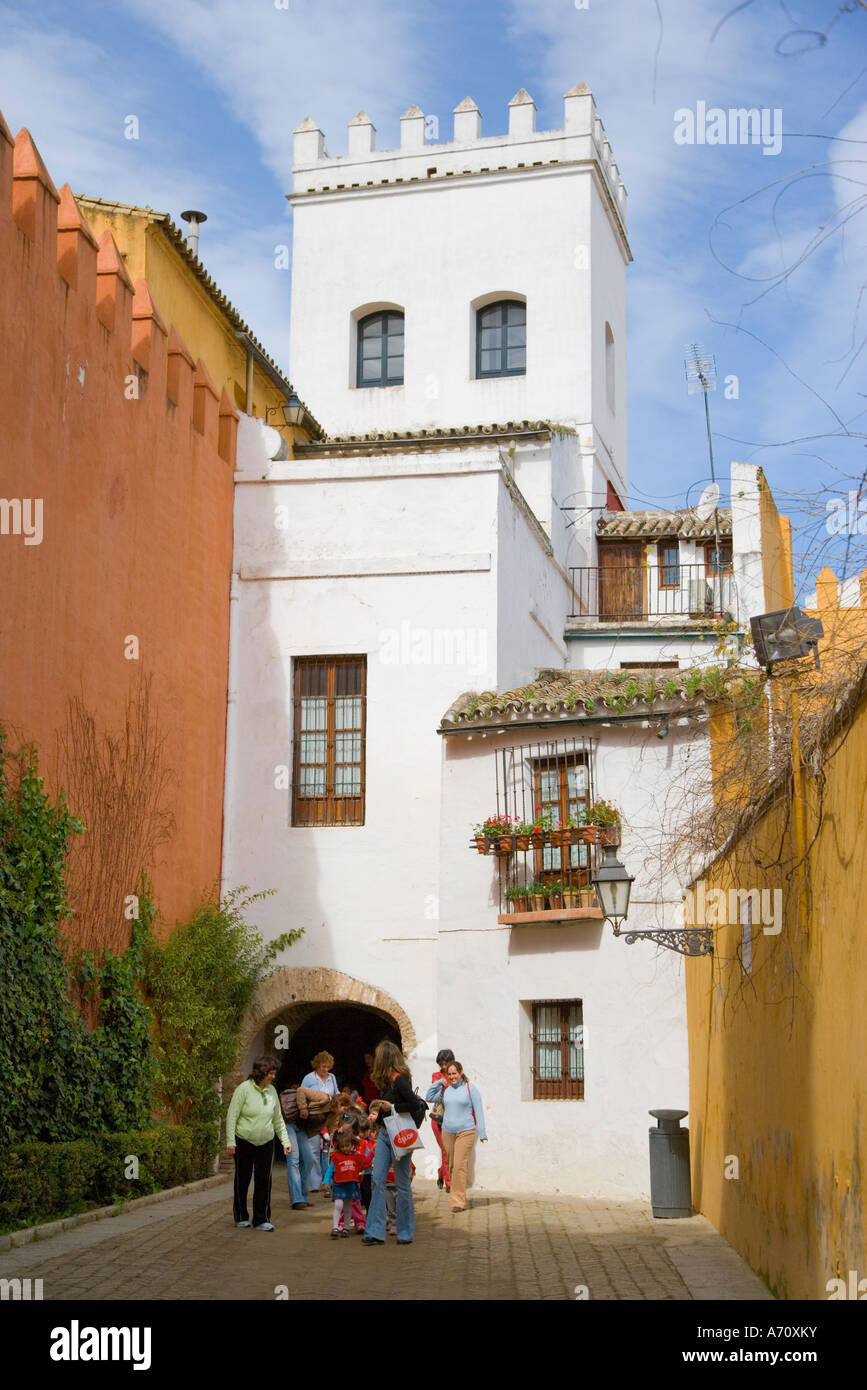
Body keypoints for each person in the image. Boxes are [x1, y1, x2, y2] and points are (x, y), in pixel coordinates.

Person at [226, 1054, 291, 1231]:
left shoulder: (271, 1092)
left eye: (274, 1073)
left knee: (264, 1181)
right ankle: (241, 1216)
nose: (273, 1076)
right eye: (270, 1073)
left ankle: (261, 1219)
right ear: (261, 1072)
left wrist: (285, 1141)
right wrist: (231, 1141)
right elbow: (232, 1116)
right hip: (244, 1141)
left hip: (266, 1142)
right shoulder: (243, 1089)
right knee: (242, 1179)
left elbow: (277, 1118)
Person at [362, 1040, 417, 1246]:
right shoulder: (386, 1081)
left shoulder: (400, 1080)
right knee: (377, 1179)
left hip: (399, 1135)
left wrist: (391, 1105)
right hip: (385, 1133)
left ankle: (405, 1232)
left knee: (402, 1183)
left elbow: (413, 1104)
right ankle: (375, 1231)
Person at [426, 1060, 486, 1214]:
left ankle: (458, 1201)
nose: (452, 1077)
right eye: (450, 1074)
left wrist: (483, 1132)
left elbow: (478, 1109)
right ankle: (455, 1196)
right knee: (452, 1165)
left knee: (459, 1165)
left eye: (455, 1073)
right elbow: (429, 1096)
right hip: (447, 1131)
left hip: (466, 1131)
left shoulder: (469, 1088)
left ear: (460, 1072)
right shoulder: (445, 1090)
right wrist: (440, 1081)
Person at [300, 1051, 339, 1193]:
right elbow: (301, 1094)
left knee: (329, 1150)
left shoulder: (332, 1078)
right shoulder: (309, 1079)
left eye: (328, 1067)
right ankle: (314, 1184)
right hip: (314, 1118)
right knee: (313, 1150)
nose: (325, 1070)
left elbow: (336, 1093)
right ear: (317, 1065)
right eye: (323, 1066)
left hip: (329, 1118)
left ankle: (327, 1181)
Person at [279, 1080, 314, 1210]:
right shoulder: (304, 1093)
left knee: (308, 1159)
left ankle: (303, 1196)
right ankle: (297, 1199)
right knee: (293, 1159)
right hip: (288, 1124)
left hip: (300, 1126)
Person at [326, 1129, 365, 1238]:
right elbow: (330, 1170)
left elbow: (365, 1162)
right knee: (338, 1205)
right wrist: (325, 1181)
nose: (345, 1148)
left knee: (348, 1207)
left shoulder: (356, 1156)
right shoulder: (336, 1156)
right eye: (342, 1146)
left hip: (351, 1185)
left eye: (347, 1145)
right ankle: (335, 1227)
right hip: (339, 1185)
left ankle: (346, 1228)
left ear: (352, 1144)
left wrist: (370, 1153)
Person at [429, 1048, 455, 1192]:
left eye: (446, 1063)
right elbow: (435, 1093)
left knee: (450, 1150)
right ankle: (449, 1182)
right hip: (438, 1119)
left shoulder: (456, 1075)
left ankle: (441, 1173)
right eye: (441, 1064)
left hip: (452, 1118)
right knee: (445, 1149)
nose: (443, 1067)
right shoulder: (436, 1076)